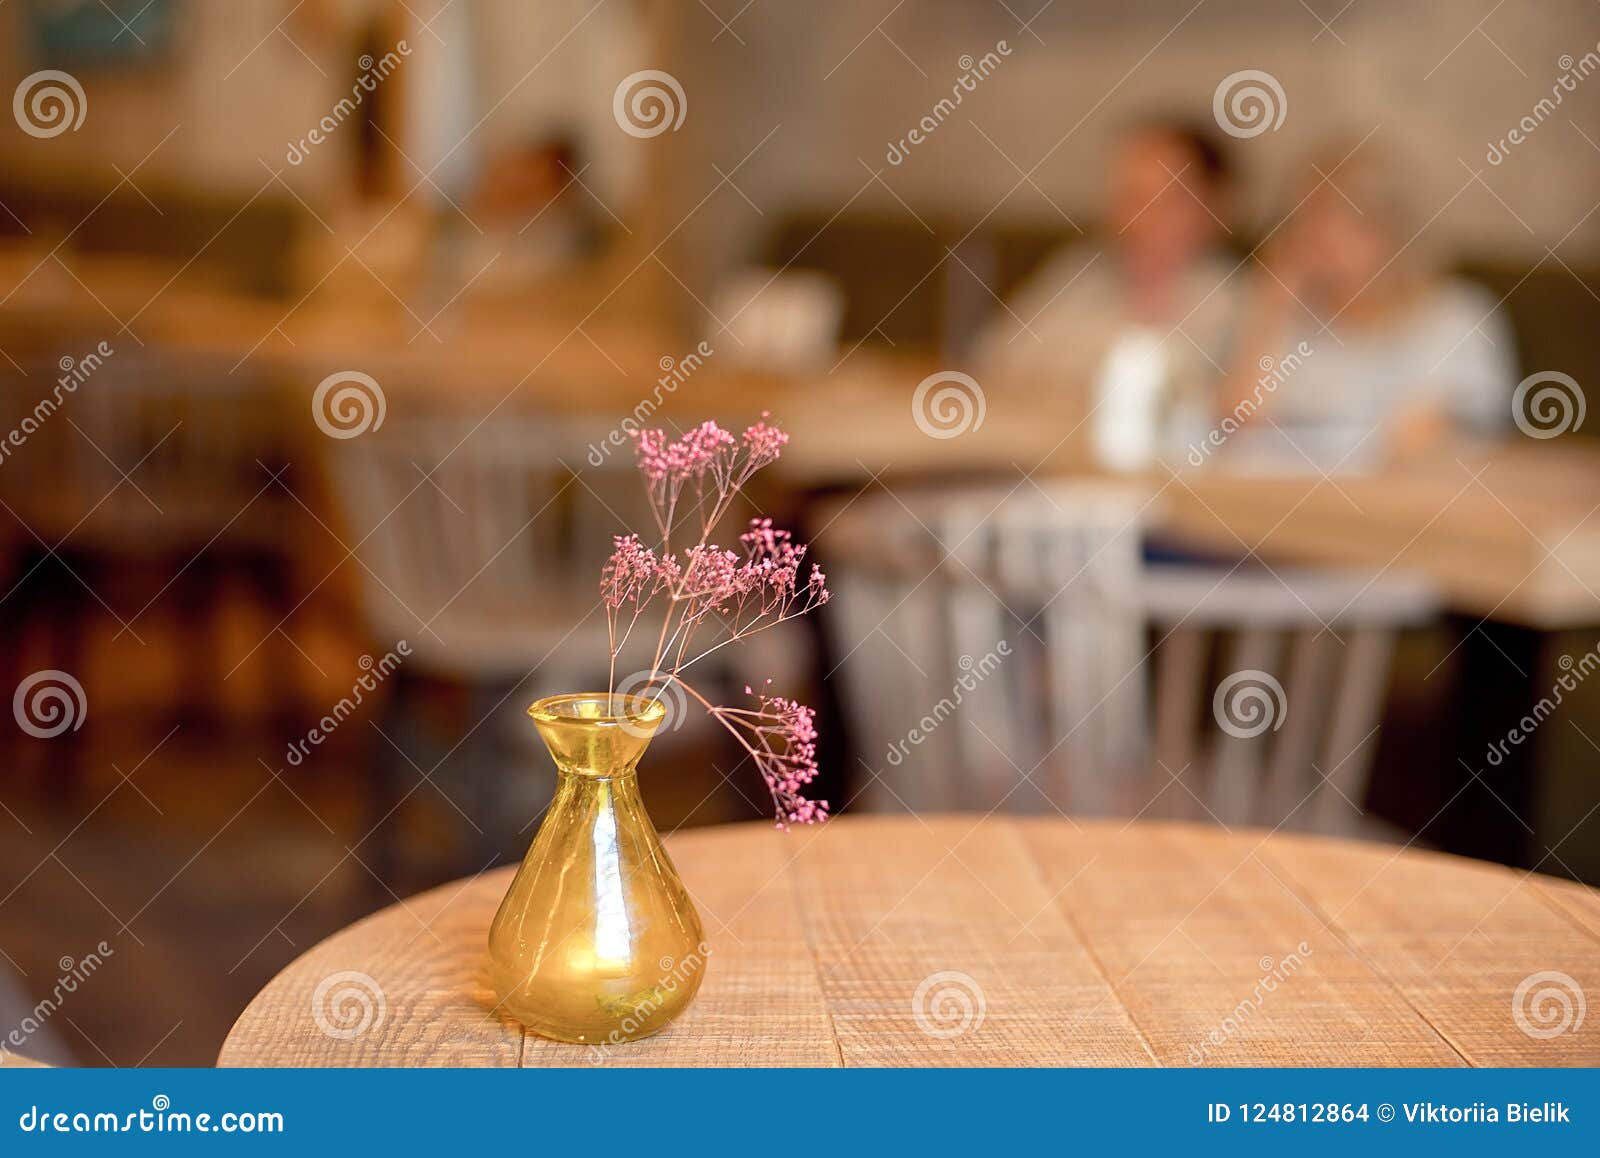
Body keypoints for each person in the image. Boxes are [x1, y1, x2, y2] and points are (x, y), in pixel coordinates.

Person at [1215, 143, 1517, 468]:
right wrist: (1270, 311)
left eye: (1338, 221)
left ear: (1389, 231)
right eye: (1302, 221)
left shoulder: (1455, 317)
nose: (1314, 239)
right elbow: (1233, 427)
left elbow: (1424, 445)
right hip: (1273, 493)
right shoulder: (1284, 314)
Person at [972, 120, 1240, 470]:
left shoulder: (1238, 304)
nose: (1140, 220)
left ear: (1213, 210)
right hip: (1054, 472)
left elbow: (1212, 406)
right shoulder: (1079, 276)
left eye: (1165, 202)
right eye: (1129, 198)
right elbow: (994, 362)